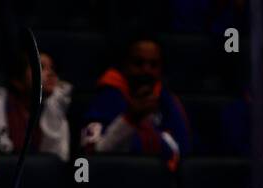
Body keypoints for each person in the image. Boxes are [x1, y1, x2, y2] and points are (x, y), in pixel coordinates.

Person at [80, 34, 191, 171]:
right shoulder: (106, 98)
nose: (147, 70)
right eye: (139, 63)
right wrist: (129, 119)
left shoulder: (167, 100)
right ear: (125, 65)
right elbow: (91, 156)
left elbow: (183, 152)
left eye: (153, 64)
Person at [0, 51, 71, 161]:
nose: (51, 73)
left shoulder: (56, 115)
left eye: (52, 68)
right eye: (41, 67)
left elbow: (57, 162)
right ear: (17, 81)